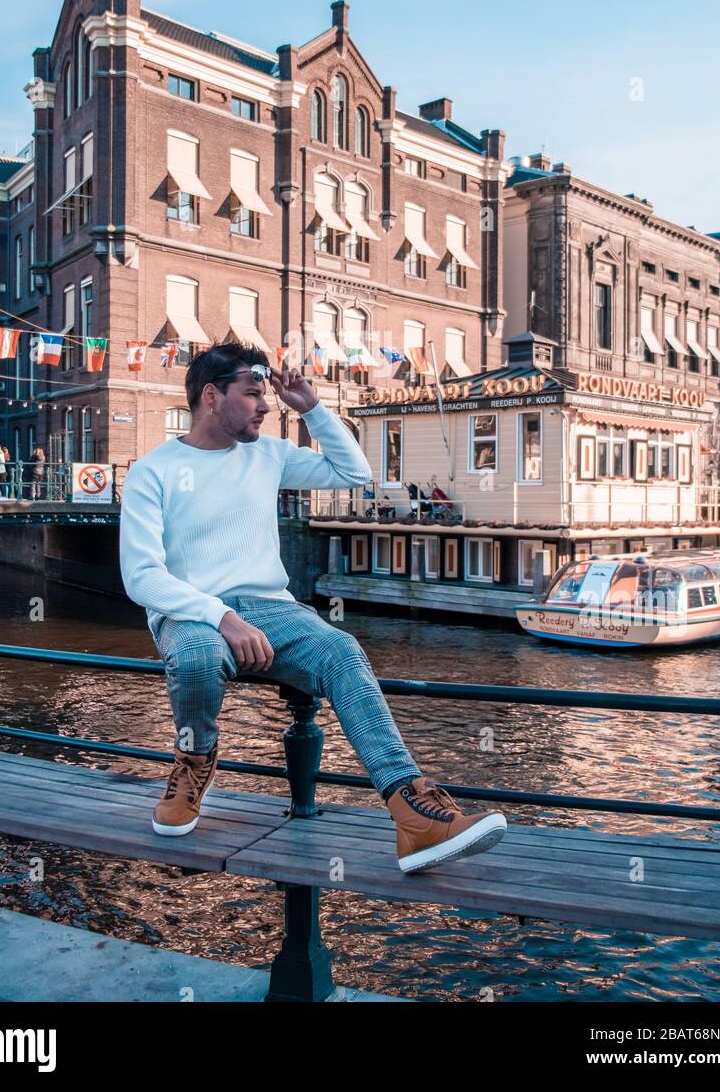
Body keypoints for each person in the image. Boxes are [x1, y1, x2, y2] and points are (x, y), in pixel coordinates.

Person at [119, 342, 507, 873]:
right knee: (196, 657)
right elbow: (142, 576)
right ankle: (194, 759)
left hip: (269, 606)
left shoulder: (268, 454)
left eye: (267, 398)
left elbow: (353, 475)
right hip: (191, 612)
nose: (264, 406)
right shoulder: (153, 471)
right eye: (254, 394)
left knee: (341, 650)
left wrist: (311, 409)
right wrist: (221, 617)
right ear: (211, 396)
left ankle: (413, 813)